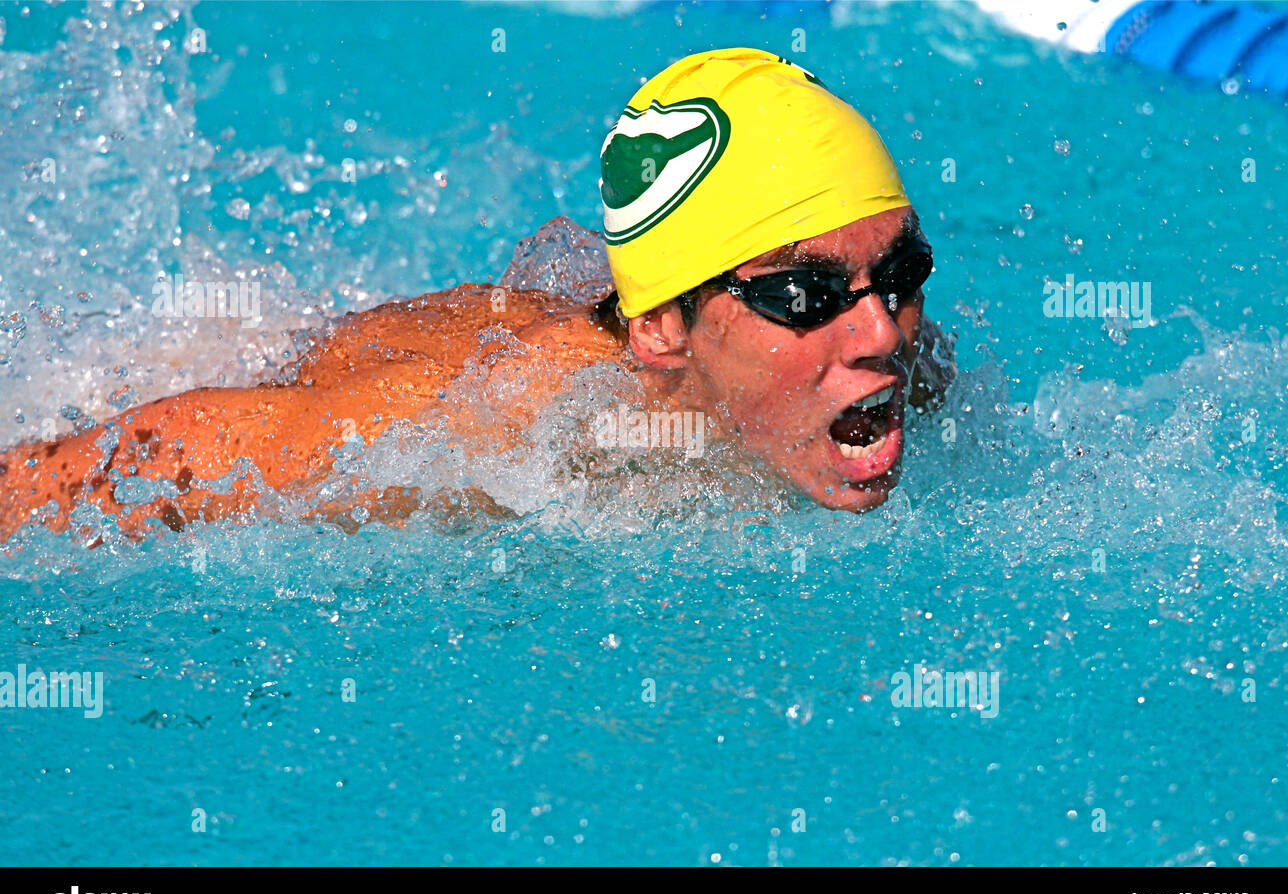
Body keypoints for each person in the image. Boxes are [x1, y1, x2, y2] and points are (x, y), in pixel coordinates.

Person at [0, 48, 953, 544]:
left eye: (899, 276)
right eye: (805, 294)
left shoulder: (895, 358)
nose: (881, 332)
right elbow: (140, 464)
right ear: (663, 325)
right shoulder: (488, 429)